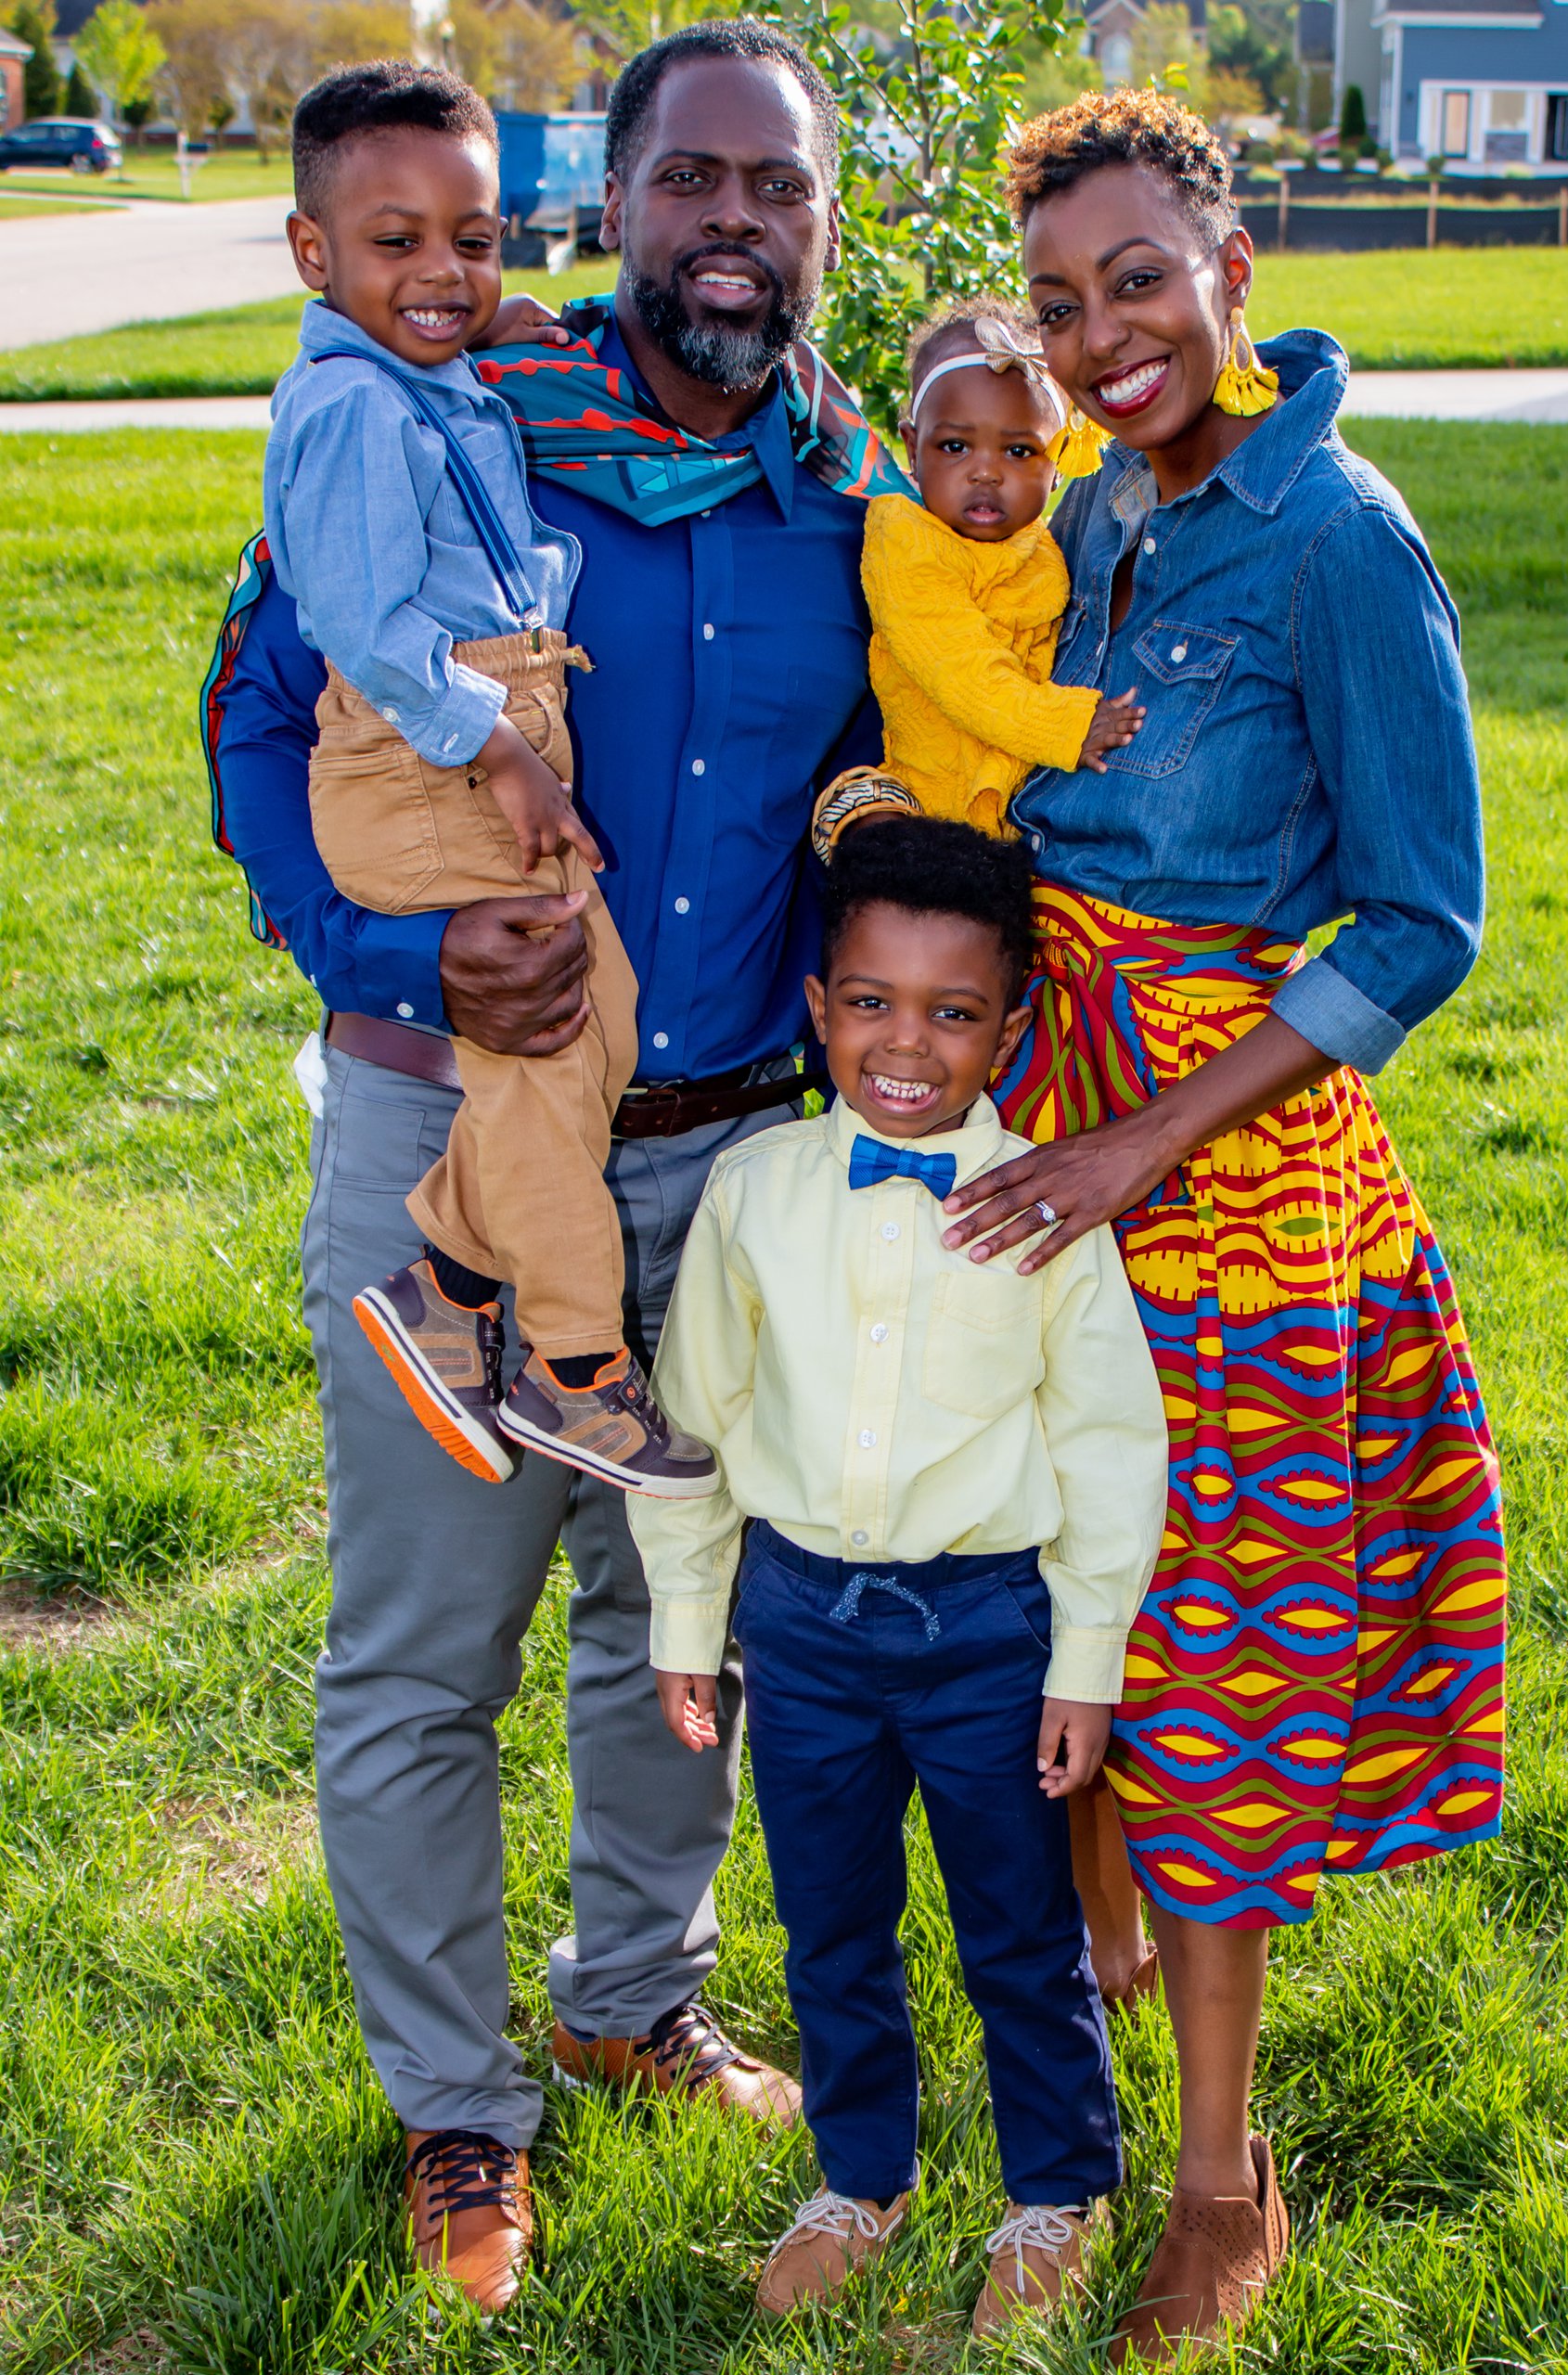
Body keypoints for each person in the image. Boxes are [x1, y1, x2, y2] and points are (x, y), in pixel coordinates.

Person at [209, 21, 911, 2312]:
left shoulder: (851, 483)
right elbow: (254, 719)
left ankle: (631, 1993)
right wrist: (394, 934)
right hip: (450, 1130)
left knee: (669, 1617)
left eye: (777, 189)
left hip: (725, 1151)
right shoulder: (455, 413)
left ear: (818, 222)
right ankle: (454, 2112)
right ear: (609, 204)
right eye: (689, 179)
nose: (734, 222)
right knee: (427, 1650)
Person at [938, 88, 1509, 2362]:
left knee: (1205, 1676)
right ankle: (1070, 2073)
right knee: (1049, 1613)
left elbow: (1424, 915)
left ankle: (1215, 2175)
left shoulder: (1333, 537)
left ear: (1231, 270)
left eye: (1137, 283)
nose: (1098, 340)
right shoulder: (1098, 525)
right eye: (1062, 304)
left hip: (1229, 1189)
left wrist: (1132, 1138)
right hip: (1047, 1136)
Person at [633, 815, 1167, 2332]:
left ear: (1012, 1025)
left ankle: (1056, 2190)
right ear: (818, 1006)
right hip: (800, 1626)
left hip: (988, 1630)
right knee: (830, 1922)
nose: (905, 1044)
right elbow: (695, 1420)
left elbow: (1111, 1448)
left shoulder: (1048, 1213)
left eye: (950, 1012)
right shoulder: (756, 1193)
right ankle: (859, 2175)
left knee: (1017, 1928)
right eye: (869, 1002)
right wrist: (689, 1617)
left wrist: (1079, 1662)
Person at [265, 61, 713, 1501]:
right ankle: (575, 1370)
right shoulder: (345, 409)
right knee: (537, 1057)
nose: (444, 270)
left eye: (474, 238)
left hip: (481, 728)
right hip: (423, 757)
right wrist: (503, 745)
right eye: (396, 244)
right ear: (312, 252)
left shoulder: (427, 375)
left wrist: (479, 330)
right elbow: (363, 625)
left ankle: (451, 1278)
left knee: (609, 1018)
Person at [814, 300, 1142, 853]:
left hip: (1016, 817)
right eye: (955, 446)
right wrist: (1068, 726)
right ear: (912, 448)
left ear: (1057, 462)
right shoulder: (904, 538)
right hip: (925, 805)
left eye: (1018, 450)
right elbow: (962, 672)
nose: (986, 471)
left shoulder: (1044, 549)